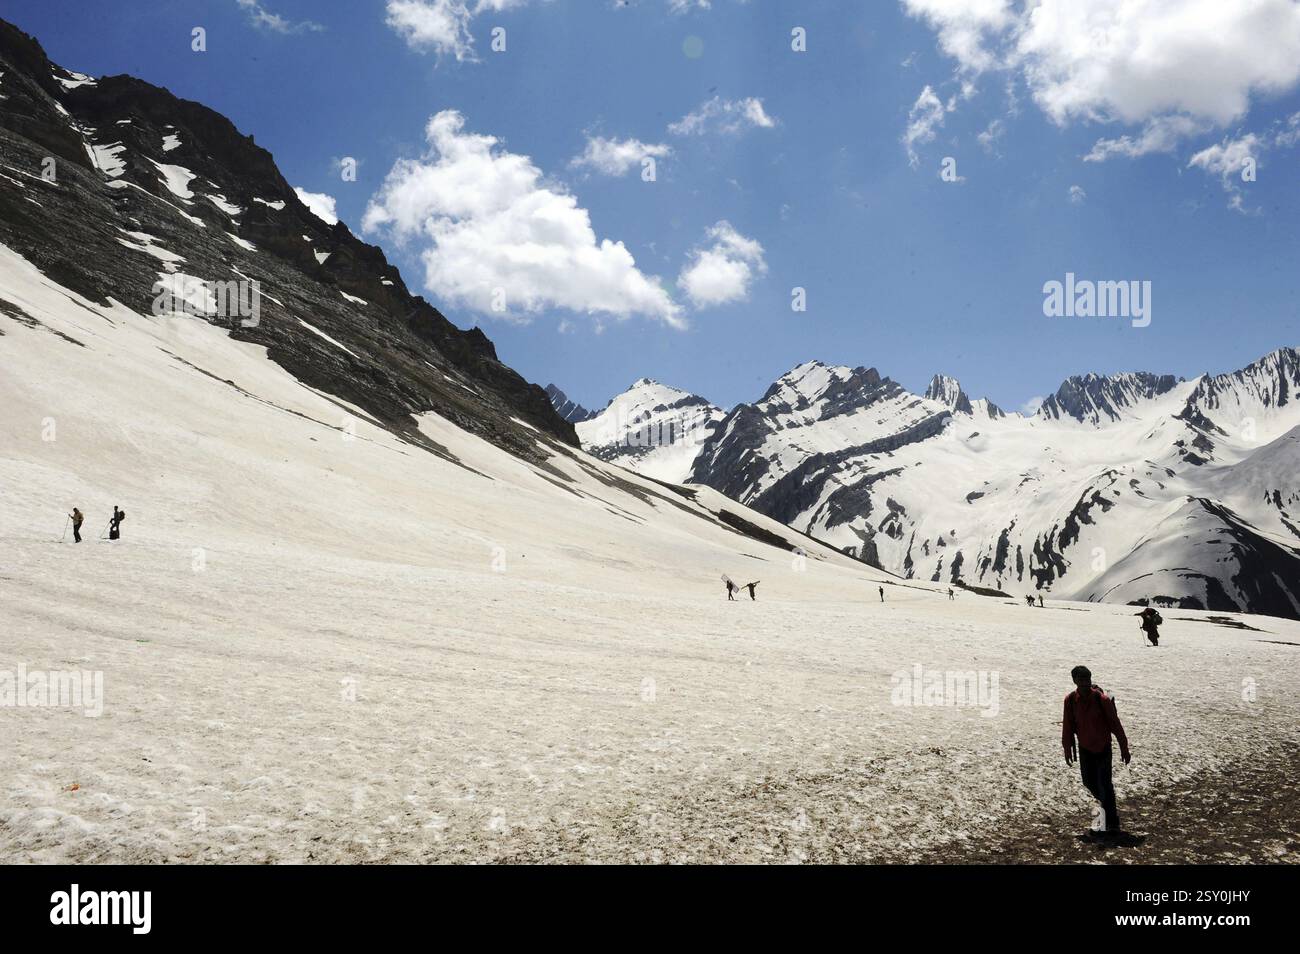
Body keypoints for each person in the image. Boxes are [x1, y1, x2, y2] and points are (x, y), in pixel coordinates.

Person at [1062, 665, 1131, 837]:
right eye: (1081, 680)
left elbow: (1116, 725)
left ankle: (1112, 823)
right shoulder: (1070, 701)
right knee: (1089, 782)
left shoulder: (1102, 700)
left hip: (1103, 748)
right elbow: (1068, 725)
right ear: (1074, 681)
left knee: (1105, 784)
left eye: (1087, 679)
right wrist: (1067, 748)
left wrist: (1124, 747)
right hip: (1085, 748)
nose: (1085, 683)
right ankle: (1108, 809)